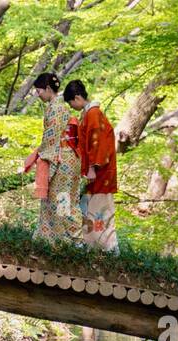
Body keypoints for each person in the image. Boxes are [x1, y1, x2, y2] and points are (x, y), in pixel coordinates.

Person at [25, 72, 81, 245]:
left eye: (39, 91)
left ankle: (76, 239)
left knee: (63, 199)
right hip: (67, 157)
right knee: (57, 199)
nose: (38, 95)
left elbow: (51, 139)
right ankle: (54, 240)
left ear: (48, 89)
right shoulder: (59, 107)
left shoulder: (56, 108)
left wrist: (41, 157)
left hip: (62, 159)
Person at [64, 79, 119, 253]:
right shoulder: (89, 114)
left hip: (100, 172)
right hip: (96, 173)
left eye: (72, 102)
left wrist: (92, 168)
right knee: (91, 209)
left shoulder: (94, 114)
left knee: (99, 208)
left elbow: (97, 143)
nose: (72, 106)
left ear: (78, 97)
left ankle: (107, 248)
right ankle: (95, 247)